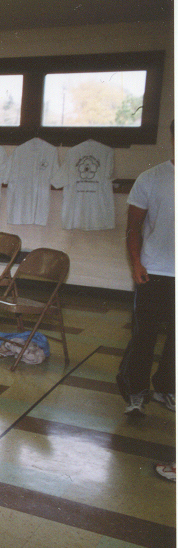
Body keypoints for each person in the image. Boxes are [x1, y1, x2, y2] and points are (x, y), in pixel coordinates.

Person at [117, 122, 175, 416]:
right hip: (153, 271)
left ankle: (166, 388)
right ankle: (136, 392)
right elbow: (133, 227)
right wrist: (137, 263)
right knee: (144, 336)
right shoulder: (151, 178)